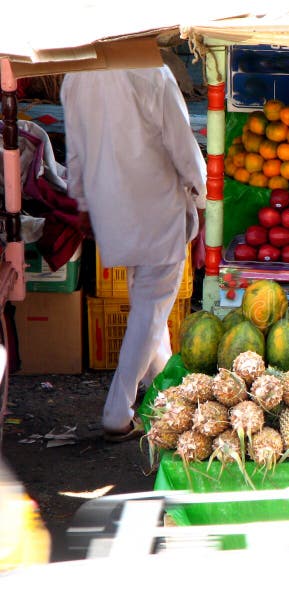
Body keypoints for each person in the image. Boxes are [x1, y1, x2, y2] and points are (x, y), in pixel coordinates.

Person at [60, 65, 206, 442]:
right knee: (151, 305)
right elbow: (182, 145)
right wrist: (205, 194)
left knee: (148, 304)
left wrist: (81, 201)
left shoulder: (76, 76)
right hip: (156, 206)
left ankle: (162, 389)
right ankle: (117, 412)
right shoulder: (153, 73)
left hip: (110, 207)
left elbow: (74, 150)